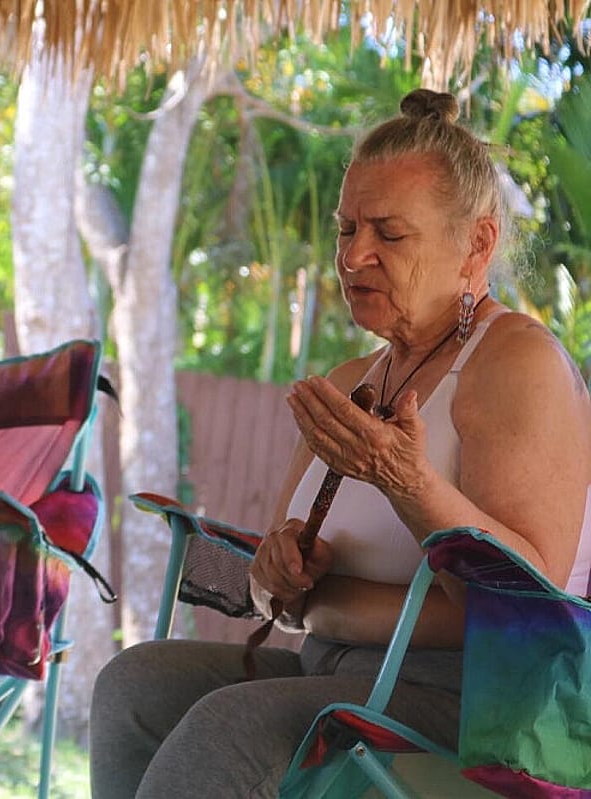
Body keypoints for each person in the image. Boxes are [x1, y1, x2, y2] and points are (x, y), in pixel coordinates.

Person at [90, 88, 591, 798]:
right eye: (345, 227)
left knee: (224, 734)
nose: (354, 254)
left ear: (476, 243)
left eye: (389, 234)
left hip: (476, 703)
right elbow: (281, 598)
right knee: (133, 684)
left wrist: (405, 485)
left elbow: (528, 608)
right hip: (334, 664)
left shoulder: (517, 362)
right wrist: (277, 575)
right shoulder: (355, 379)